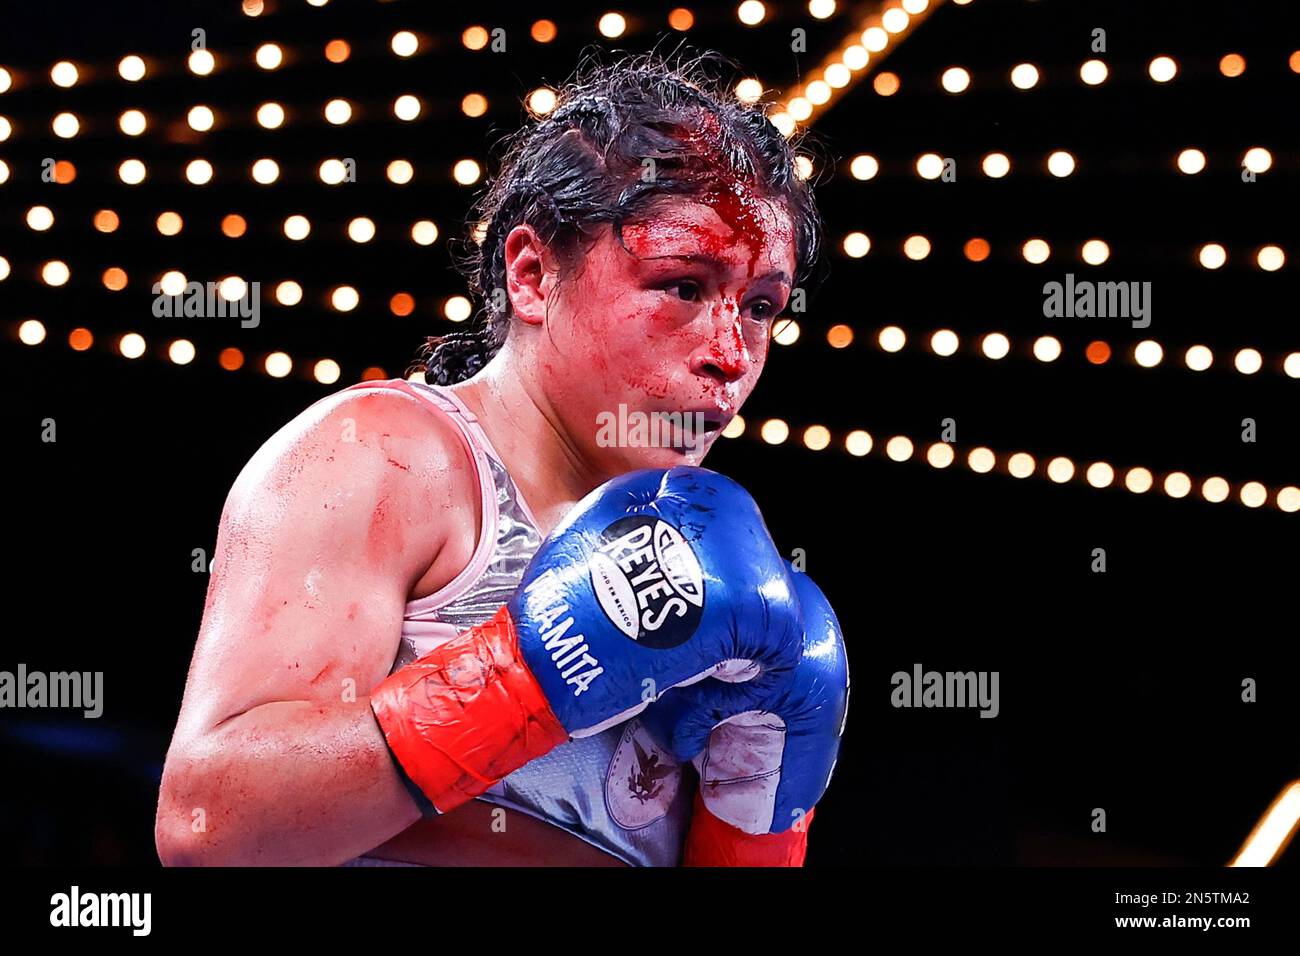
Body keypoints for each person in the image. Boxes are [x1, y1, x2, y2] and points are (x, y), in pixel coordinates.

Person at [154, 48, 840, 867]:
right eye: (683, 287)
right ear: (533, 272)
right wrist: (527, 677)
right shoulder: (386, 457)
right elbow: (208, 823)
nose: (730, 353)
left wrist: (756, 832)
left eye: (760, 306)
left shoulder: (728, 593)